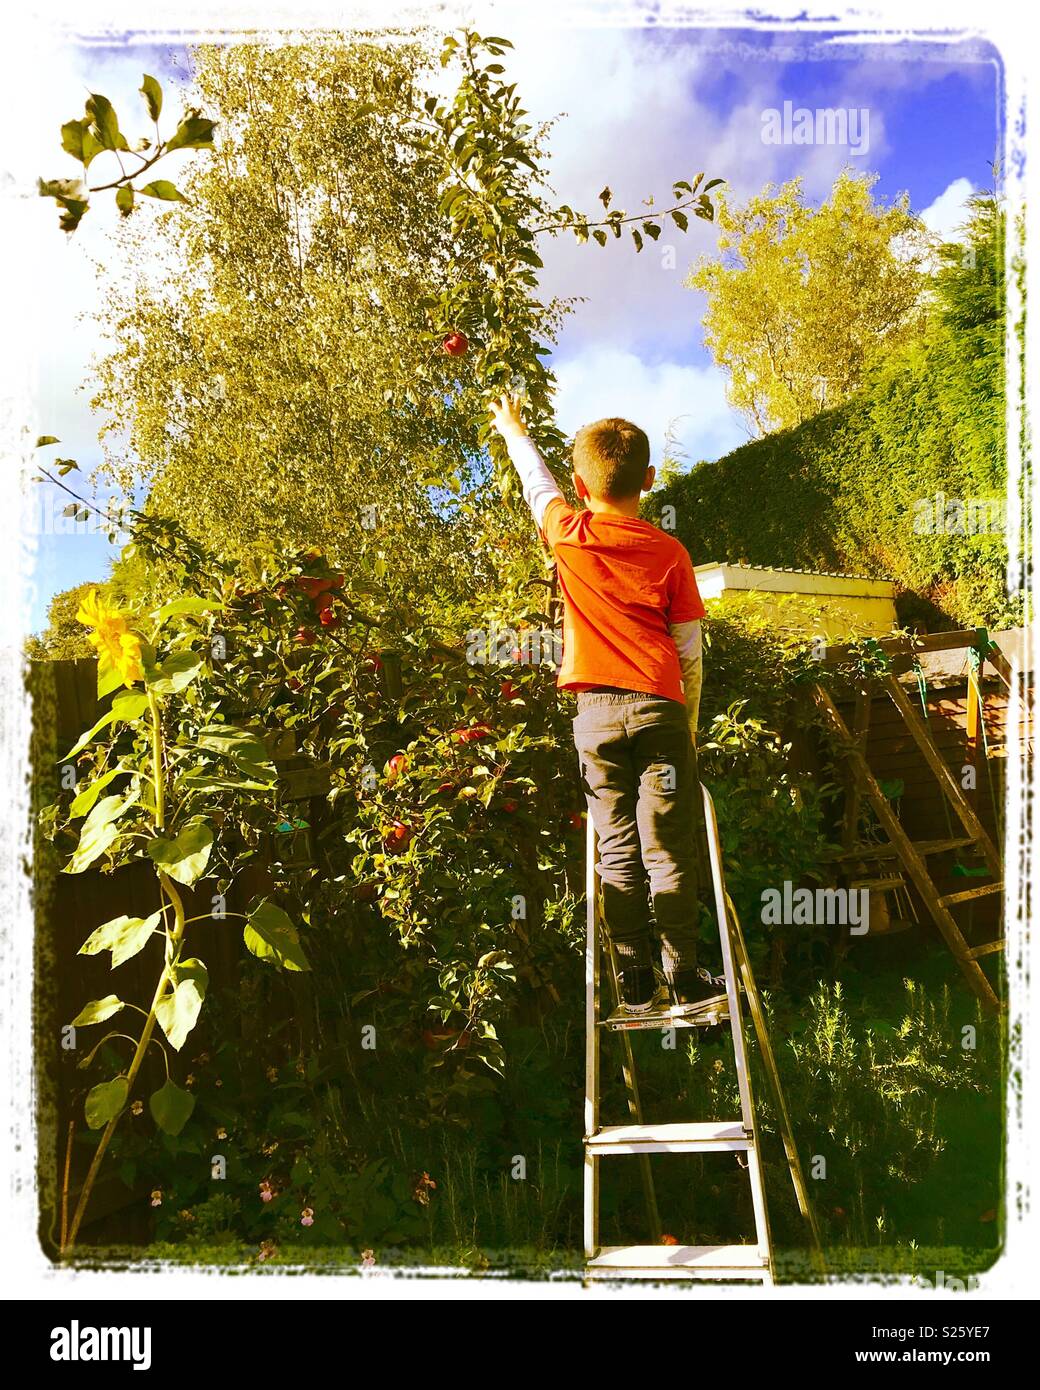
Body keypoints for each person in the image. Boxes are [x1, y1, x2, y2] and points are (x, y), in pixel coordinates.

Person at [489, 394, 726, 1018]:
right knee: (668, 848)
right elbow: (689, 650)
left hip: (594, 715)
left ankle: (635, 982)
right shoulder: (670, 554)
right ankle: (686, 977)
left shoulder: (568, 534)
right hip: (659, 709)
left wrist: (514, 427)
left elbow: (534, 483)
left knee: (616, 849)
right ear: (650, 480)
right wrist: (688, 724)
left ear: (580, 482)